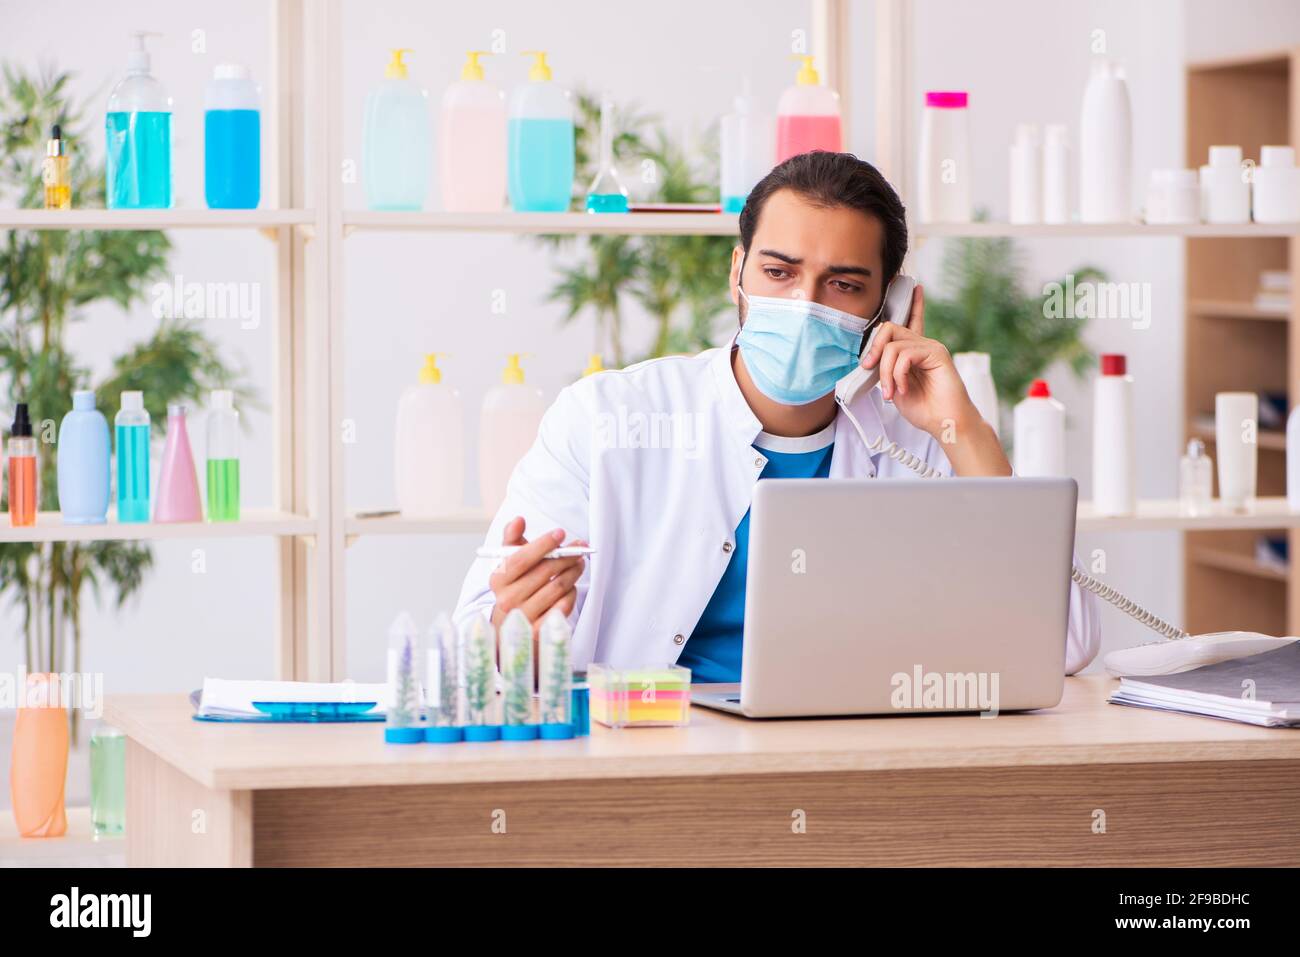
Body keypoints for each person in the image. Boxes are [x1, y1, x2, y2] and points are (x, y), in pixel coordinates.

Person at [454, 151, 1099, 677]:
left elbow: (1062, 645)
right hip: (654, 761)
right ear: (737, 272)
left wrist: (967, 431)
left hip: (850, 769)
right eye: (779, 272)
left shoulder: (920, 441)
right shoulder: (607, 419)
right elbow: (472, 638)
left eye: (843, 284)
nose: (803, 303)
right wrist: (514, 629)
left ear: (892, 305)